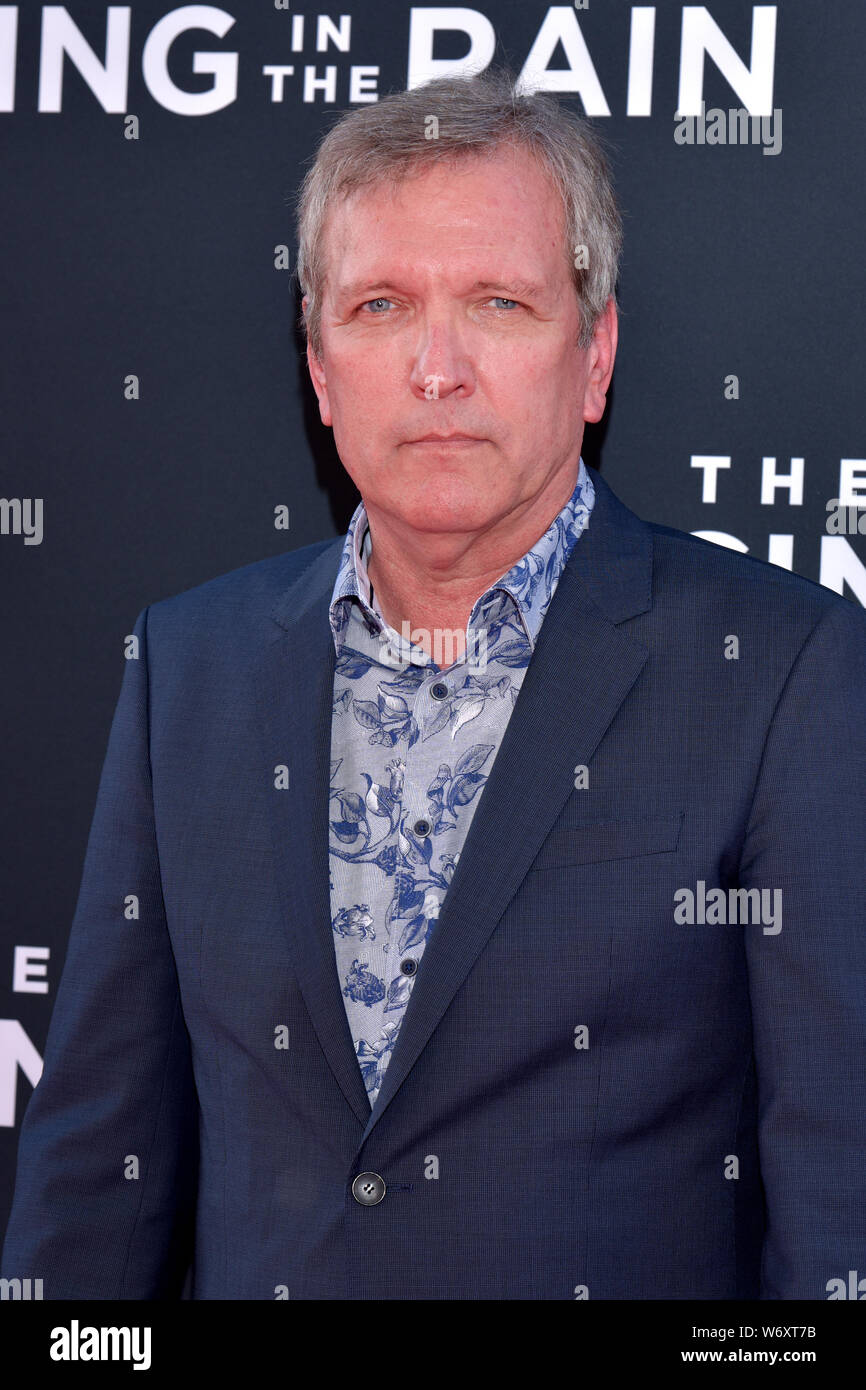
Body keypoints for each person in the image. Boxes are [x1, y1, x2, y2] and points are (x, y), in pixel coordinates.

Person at [3, 68, 866, 1301]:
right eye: (379, 306)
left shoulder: (780, 673)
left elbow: (841, 1202)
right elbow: (96, 1172)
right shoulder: (187, 667)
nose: (435, 367)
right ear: (317, 365)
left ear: (594, 354)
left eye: (500, 303)